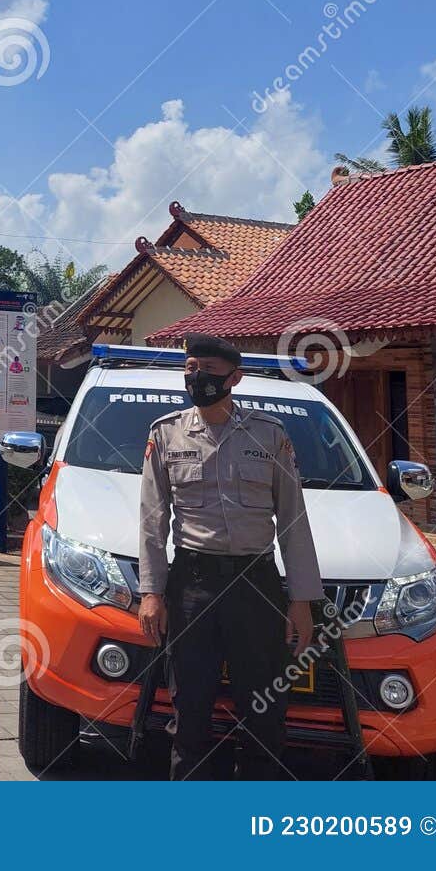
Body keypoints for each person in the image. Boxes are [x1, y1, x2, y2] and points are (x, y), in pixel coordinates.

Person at [137, 334, 322, 779]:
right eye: (189, 369)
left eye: (207, 371)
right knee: (190, 707)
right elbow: (152, 519)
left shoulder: (270, 435)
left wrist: (301, 600)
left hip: (255, 586)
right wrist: (151, 593)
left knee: (263, 709)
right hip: (192, 586)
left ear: (234, 378)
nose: (196, 378)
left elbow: (293, 520)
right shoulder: (165, 434)